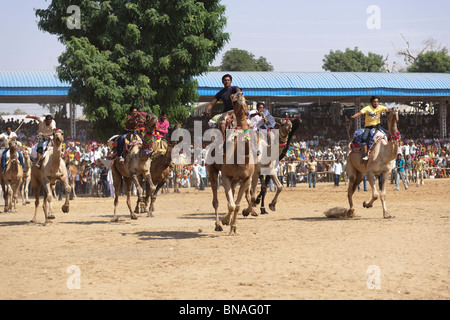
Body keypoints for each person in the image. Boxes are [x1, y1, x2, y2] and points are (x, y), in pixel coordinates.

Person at [349, 96, 387, 161]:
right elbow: (360, 113)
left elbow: (388, 109)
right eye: (374, 102)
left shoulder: (380, 107)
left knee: (387, 135)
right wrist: (353, 116)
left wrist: (393, 110)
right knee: (364, 138)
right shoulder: (367, 108)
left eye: (377, 102)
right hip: (369, 127)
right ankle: (365, 155)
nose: (376, 103)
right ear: (371, 102)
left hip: (378, 126)